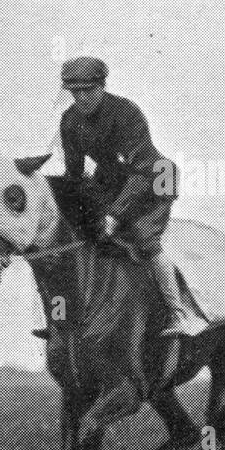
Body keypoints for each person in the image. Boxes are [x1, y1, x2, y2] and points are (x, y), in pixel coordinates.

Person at [58, 56, 203, 338]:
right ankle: (62, 317)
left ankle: (180, 314)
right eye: (76, 92)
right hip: (115, 182)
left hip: (154, 179)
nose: (82, 97)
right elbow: (74, 175)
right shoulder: (69, 121)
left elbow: (141, 169)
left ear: (102, 86)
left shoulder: (126, 113)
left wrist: (115, 214)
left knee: (143, 237)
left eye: (89, 90)